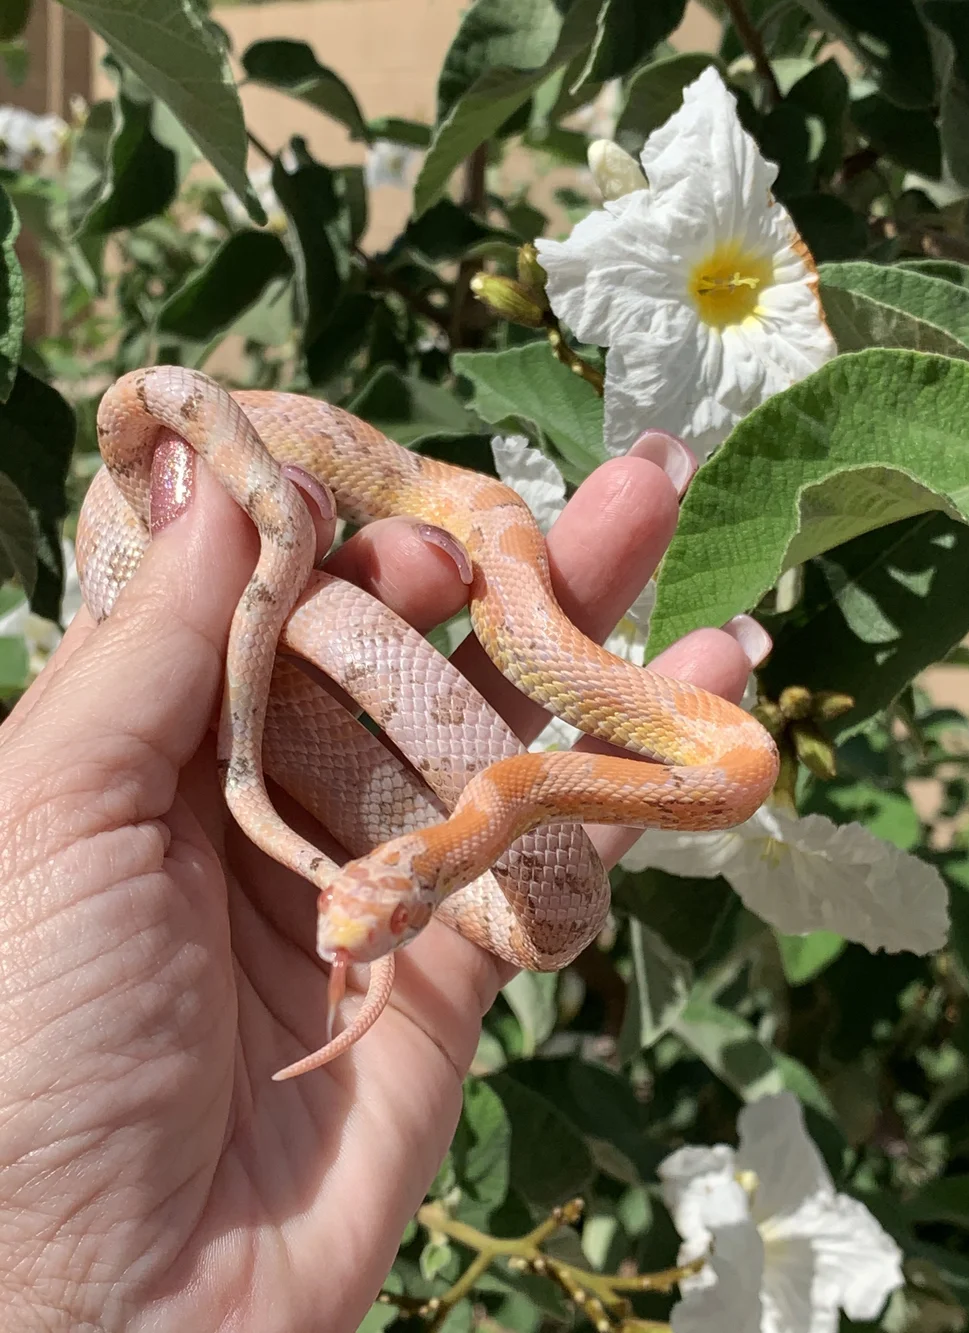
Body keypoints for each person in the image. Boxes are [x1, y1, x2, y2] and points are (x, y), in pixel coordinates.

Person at [0, 428, 769, 1330]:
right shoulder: (490, 815)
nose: (343, 942)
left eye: (360, 912)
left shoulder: (519, 802)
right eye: (353, 907)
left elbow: (701, 778)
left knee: (437, 586)